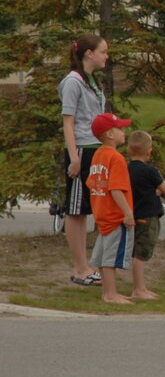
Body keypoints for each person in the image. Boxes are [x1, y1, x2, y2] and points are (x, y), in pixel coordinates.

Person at [58, 34, 108, 286]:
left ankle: (86, 266)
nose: (106, 57)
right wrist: (74, 157)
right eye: (103, 52)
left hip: (94, 149)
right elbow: (69, 122)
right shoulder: (73, 82)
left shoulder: (92, 81)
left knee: (85, 211)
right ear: (89, 53)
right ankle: (79, 268)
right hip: (80, 150)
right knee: (75, 210)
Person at [85, 113, 135, 305]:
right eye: (120, 129)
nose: (124, 132)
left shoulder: (98, 155)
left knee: (105, 255)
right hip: (115, 216)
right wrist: (127, 213)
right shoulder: (116, 158)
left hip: (102, 214)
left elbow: (92, 183)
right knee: (110, 259)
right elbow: (115, 189)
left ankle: (108, 292)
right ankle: (110, 294)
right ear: (109, 134)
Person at [127, 130, 165, 300]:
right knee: (142, 253)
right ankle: (138, 289)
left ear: (129, 151)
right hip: (149, 217)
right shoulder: (150, 170)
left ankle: (141, 287)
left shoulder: (126, 169)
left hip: (134, 215)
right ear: (149, 151)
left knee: (136, 251)